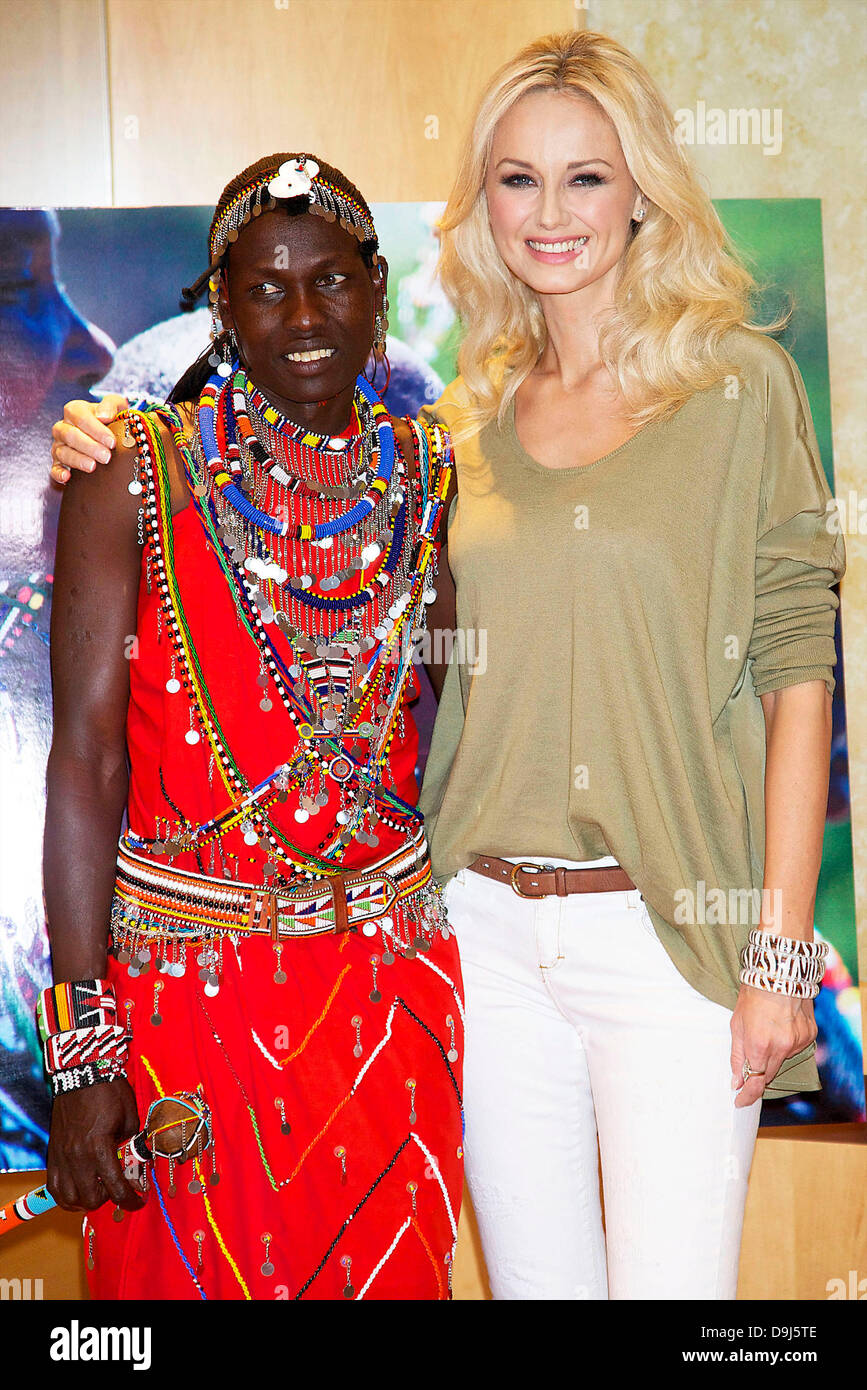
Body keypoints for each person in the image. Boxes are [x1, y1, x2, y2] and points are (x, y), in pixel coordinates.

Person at [52, 31, 845, 1303]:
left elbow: (802, 660)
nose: (551, 211)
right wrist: (95, 431)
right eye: (517, 179)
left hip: (666, 940)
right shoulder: (468, 418)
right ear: (482, 205)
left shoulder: (736, 389)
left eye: (586, 177)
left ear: (643, 186)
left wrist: (777, 955)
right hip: (473, 938)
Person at [42, 152, 464, 1301]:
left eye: (330, 280)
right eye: (266, 287)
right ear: (220, 304)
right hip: (189, 1007)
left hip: (391, 996)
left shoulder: (430, 478)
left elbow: (467, 724)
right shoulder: (130, 475)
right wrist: (81, 1051)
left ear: (377, 288)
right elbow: (82, 761)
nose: (303, 315)